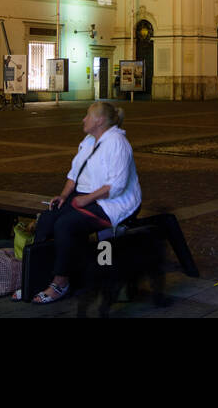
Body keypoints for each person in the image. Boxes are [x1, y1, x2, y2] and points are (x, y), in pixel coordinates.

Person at [29, 100, 142, 304]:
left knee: (67, 225)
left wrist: (86, 199)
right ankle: (35, 277)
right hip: (87, 198)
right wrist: (64, 196)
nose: (83, 119)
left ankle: (60, 282)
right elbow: (74, 173)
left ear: (99, 120)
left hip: (113, 203)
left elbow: (116, 185)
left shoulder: (117, 142)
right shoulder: (89, 141)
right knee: (47, 219)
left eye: (87, 115)